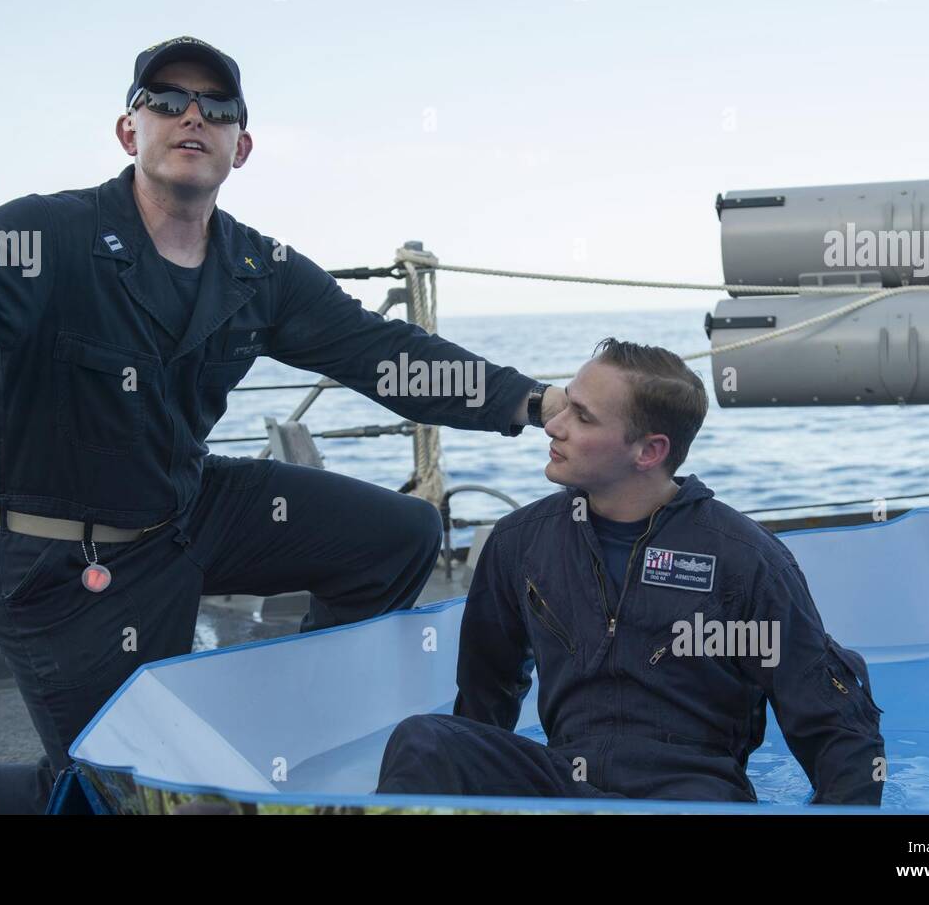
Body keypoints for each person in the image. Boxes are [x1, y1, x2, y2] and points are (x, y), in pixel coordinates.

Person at [0, 0, 567, 815]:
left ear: (242, 144)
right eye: (165, 100)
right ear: (131, 130)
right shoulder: (48, 236)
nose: (191, 114)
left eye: (216, 106)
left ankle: (275, 736)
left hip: (184, 512)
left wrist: (534, 400)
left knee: (399, 533)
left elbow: (386, 356)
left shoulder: (258, 269)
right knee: (119, 799)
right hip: (56, 564)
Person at [376, 339, 885, 805]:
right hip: (565, 787)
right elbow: (483, 708)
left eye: (582, 416)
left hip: (691, 800)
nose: (553, 425)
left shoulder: (745, 562)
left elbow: (840, 735)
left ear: (649, 451)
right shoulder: (520, 543)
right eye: (565, 405)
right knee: (424, 740)